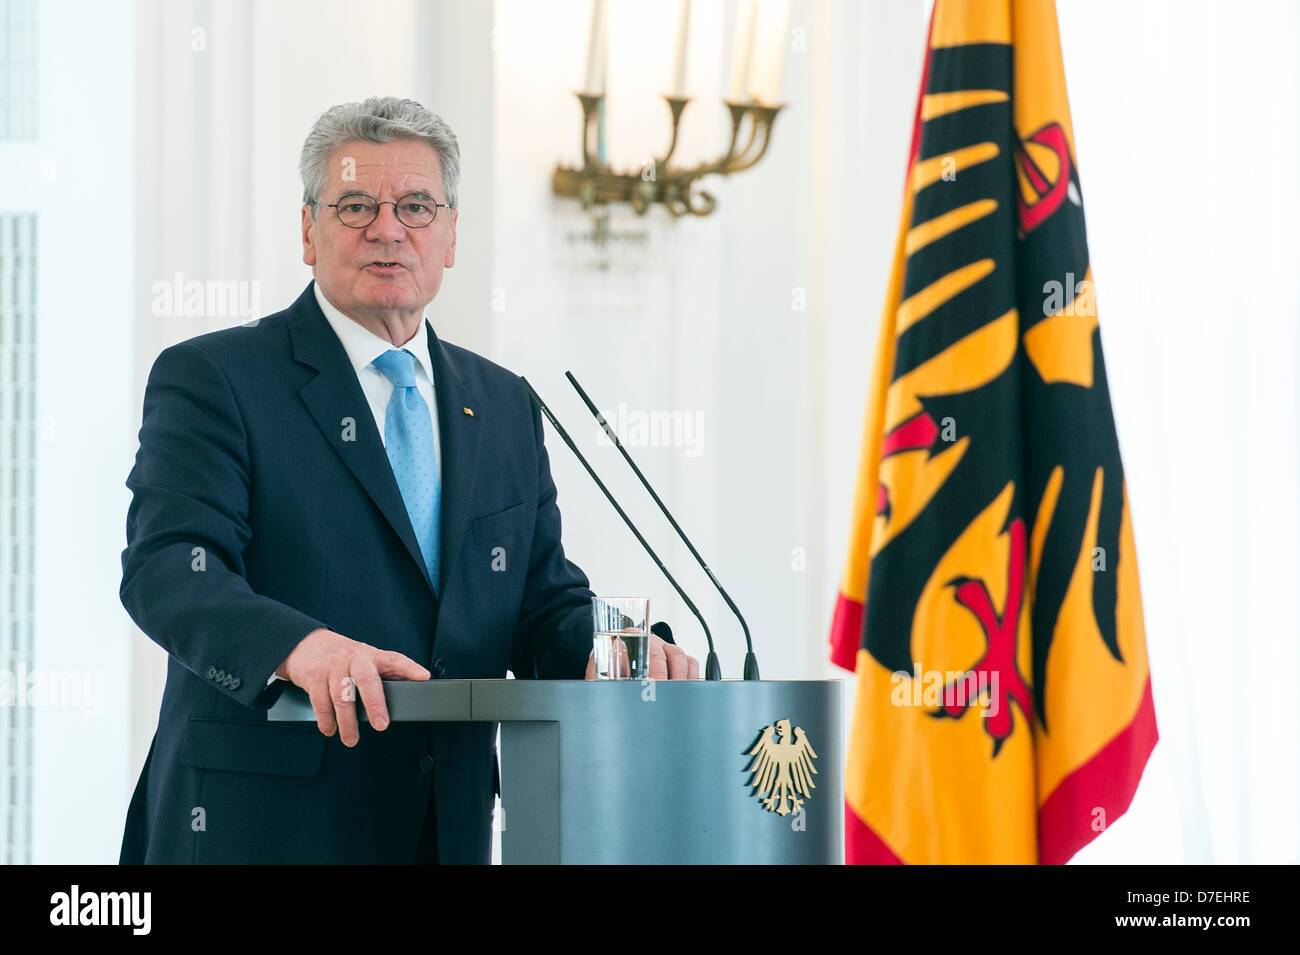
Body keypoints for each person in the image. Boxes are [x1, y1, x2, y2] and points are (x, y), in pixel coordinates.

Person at [119, 96, 698, 865]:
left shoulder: (503, 403)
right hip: (257, 830)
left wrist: (617, 650)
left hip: (444, 830)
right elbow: (168, 570)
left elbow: (539, 600)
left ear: (451, 233)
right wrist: (299, 647)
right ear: (307, 229)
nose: (388, 228)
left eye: (416, 206)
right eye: (356, 204)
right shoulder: (216, 378)